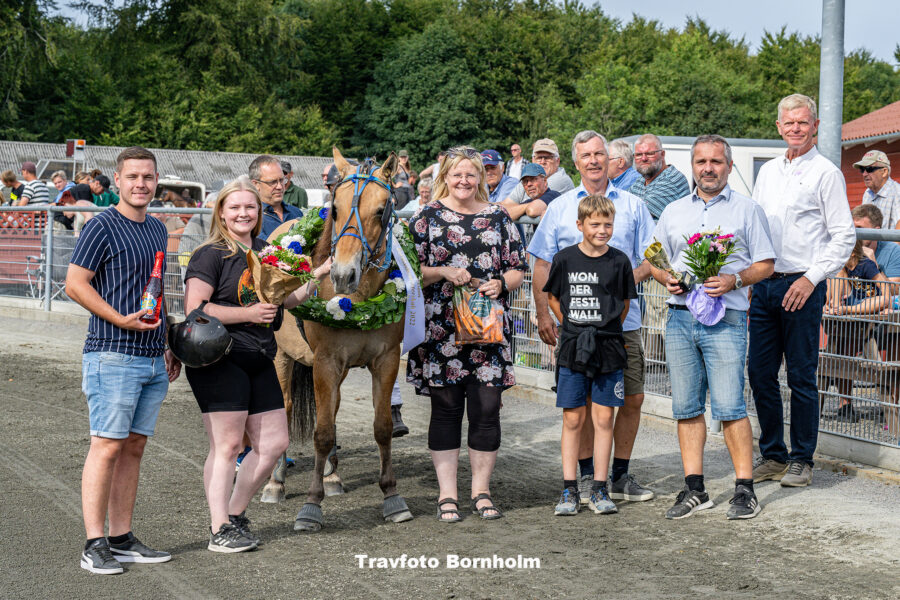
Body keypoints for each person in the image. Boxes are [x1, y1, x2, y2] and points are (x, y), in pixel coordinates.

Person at [183, 177, 332, 551]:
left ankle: (233, 515)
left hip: (260, 355)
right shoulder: (211, 254)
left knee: (275, 443)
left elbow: (286, 299)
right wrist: (247, 313)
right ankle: (219, 528)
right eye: (234, 207)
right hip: (221, 357)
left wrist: (317, 275)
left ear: (259, 211)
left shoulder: (268, 252)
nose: (243, 213)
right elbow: (195, 308)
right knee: (228, 445)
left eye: (250, 207)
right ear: (221, 212)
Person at [65, 146, 181, 574]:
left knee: (134, 447)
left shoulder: (157, 229)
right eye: (132, 177)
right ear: (117, 180)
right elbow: (75, 284)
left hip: (151, 357)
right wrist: (119, 319)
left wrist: (167, 342)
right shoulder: (102, 226)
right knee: (107, 446)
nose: (140, 184)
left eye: (147, 177)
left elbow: (156, 289)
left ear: (156, 181)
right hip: (112, 353)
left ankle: (121, 538)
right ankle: (93, 544)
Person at [651, 135, 775, 520]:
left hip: (727, 319)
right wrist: (665, 278)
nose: (708, 168)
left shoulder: (747, 210)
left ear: (729, 166)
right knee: (686, 407)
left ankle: (745, 489)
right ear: (692, 166)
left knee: (730, 406)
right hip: (679, 317)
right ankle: (695, 489)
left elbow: (766, 263)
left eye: (716, 161)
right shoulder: (673, 211)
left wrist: (734, 280)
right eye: (701, 161)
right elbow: (654, 258)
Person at [529, 130, 656, 504]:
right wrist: (543, 314)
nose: (594, 160)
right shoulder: (560, 208)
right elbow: (543, 264)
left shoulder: (633, 205)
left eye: (599, 153)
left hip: (622, 325)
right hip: (575, 328)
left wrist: (617, 285)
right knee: (581, 406)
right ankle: (586, 477)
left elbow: (652, 257)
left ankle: (620, 475)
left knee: (631, 398)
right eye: (586, 155)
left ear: (610, 158)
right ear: (576, 162)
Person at [407, 146, 526, 522]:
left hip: (487, 328)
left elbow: (517, 268)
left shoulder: (498, 216)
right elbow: (410, 271)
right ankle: (447, 494)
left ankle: (481, 492)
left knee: (487, 410)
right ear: (445, 176)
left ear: (480, 178)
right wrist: (442, 272)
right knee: (445, 411)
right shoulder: (426, 217)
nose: (464, 181)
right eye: (457, 174)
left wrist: (500, 284)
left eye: (470, 174)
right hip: (441, 328)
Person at [750, 93, 856, 487]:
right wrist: (749, 275)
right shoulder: (768, 172)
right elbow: (755, 226)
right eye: (789, 122)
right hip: (764, 284)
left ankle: (802, 459)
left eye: (802, 122)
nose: (795, 128)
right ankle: (773, 455)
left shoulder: (827, 173)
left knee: (801, 376)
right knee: (759, 373)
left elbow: (844, 234)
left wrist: (812, 277)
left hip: (802, 286)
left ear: (815, 126)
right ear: (778, 126)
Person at [545, 194, 637, 516]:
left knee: (604, 418)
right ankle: (570, 489)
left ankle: (599, 488)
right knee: (573, 417)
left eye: (607, 224)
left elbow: (624, 304)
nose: (602, 230)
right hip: (573, 346)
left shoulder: (620, 261)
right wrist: (571, 326)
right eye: (595, 224)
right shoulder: (564, 259)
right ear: (580, 225)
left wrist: (606, 329)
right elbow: (553, 298)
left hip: (608, 347)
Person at [822, 239, 891, 423]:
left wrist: (887, 304)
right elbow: (835, 283)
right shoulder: (843, 268)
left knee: (878, 301)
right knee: (837, 273)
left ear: (851, 253)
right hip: (853, 302)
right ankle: (835, 306)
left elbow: (884, 289)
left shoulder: (866, 265)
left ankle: (844, 309)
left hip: (867, 304)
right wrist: (829, 302)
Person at [628, 134, 691, 220]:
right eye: (638, 154)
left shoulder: (673, 179)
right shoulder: (640, 181)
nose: (643, 158)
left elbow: (638, 213)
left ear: (662, 154)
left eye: (650, 153)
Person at [502, 138, 575, 204]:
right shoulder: (528, 179)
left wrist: (511, 209)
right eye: (539, 158)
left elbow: (531, 208)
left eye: (548, 158)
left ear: (557, 161)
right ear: (533, 160)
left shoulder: (560, 179)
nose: (542, 162)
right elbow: (506, 204)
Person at [250, 155, 302, 239]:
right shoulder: (252, 218)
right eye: (272, 182)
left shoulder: (296, 213)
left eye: (281, 180)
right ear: (256, 184)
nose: (280, 186)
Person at [852, 204, 900, 281]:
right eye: (852, 228)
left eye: (859, 228)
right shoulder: (846, 249)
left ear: (876, 231)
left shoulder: (893, 251)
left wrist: (874, 266)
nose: (854, 233)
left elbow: (894, 288)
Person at [855, 150, 900, 230]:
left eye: (869, 169)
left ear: (884, 172)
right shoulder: (867, 193)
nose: (864, 174)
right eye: (862, 169)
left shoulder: (897, 192)